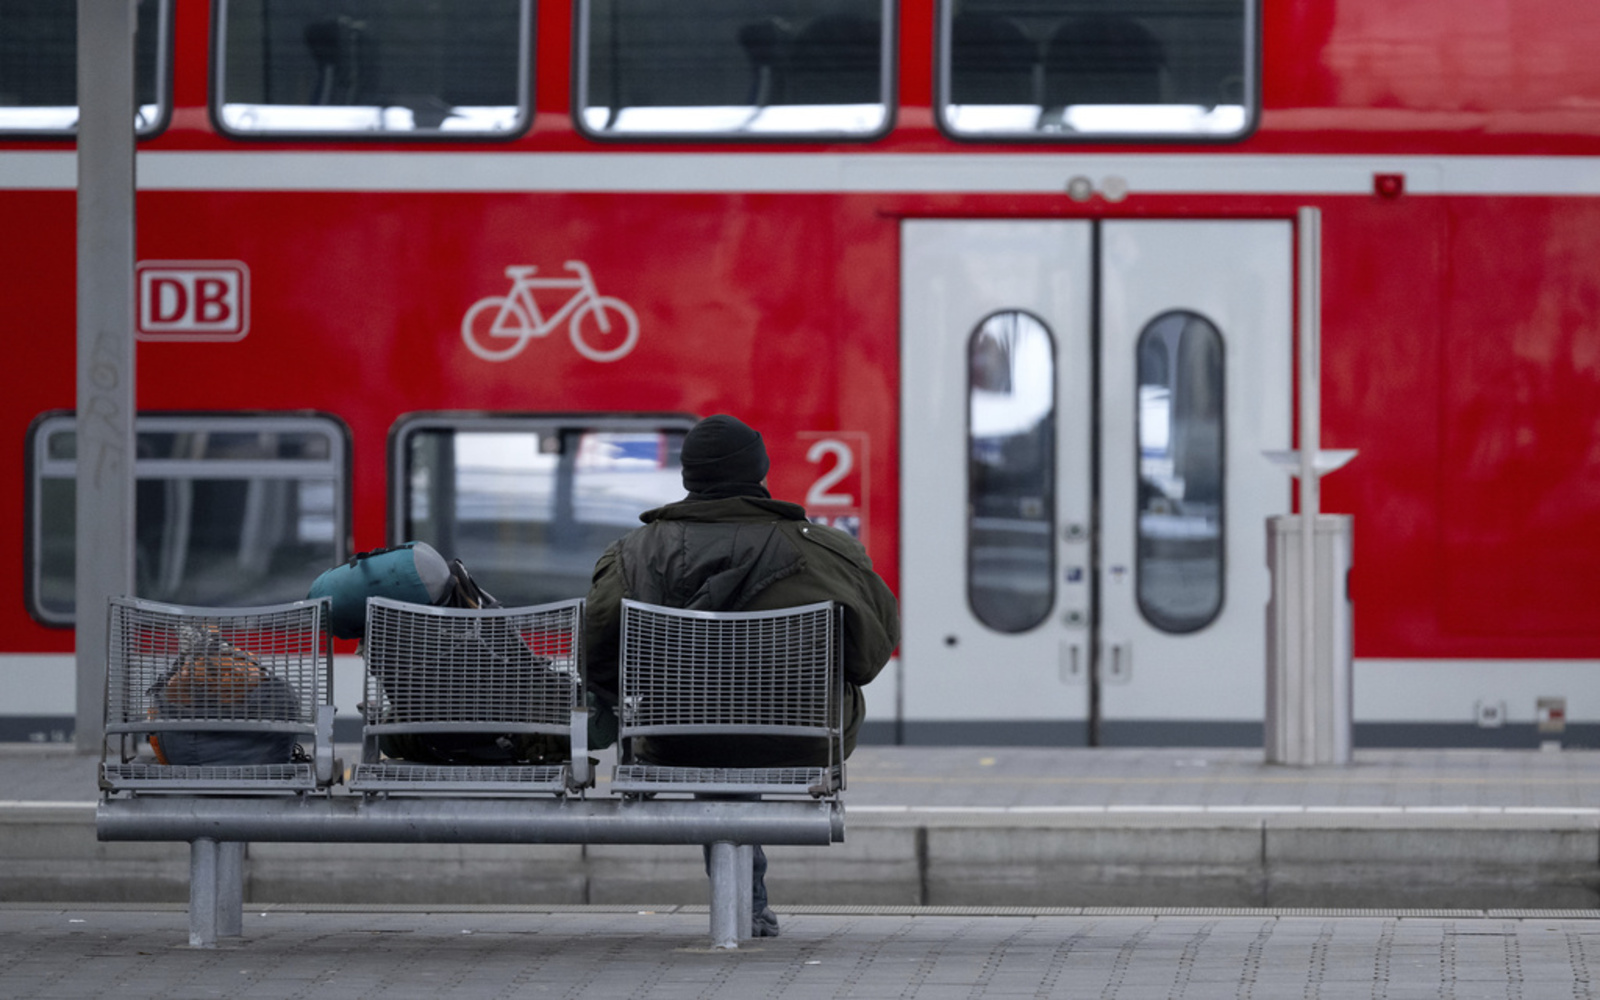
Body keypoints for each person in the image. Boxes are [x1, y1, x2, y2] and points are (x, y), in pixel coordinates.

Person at [584, 414, 900, 937]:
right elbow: (869, 657)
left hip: (673, 739)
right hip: (798, 738)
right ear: (760, 472)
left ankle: (746, 908)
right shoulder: (827, 551)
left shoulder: (632, 554)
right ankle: (746, 909)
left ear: (688, 476)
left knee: (711, 729)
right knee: (746, 727)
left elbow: (596, 660)